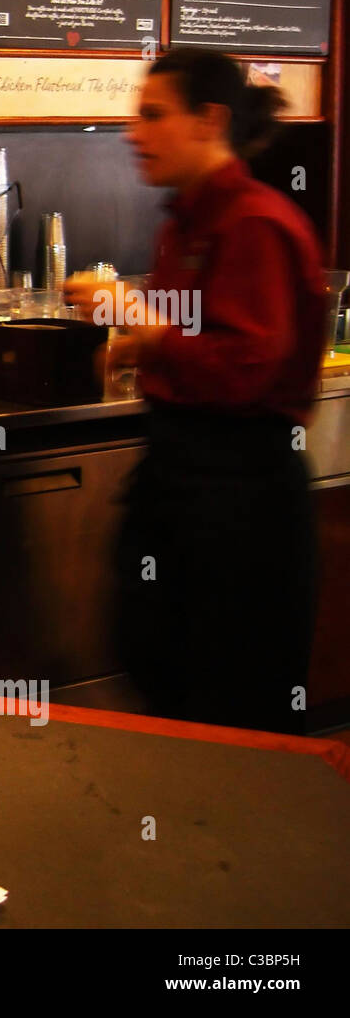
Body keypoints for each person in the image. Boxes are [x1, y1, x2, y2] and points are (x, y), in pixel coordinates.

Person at [66, 48, 328, 734]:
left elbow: (246, 368)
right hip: (182, 480)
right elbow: (201, 337)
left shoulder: (254, 224)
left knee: (236, 714)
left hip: (242, 501)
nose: (134, 133)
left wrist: (132, 316)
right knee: (162, 675)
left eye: (153, 116)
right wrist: (135, 346)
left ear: (209, 120)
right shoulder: (185, 221)